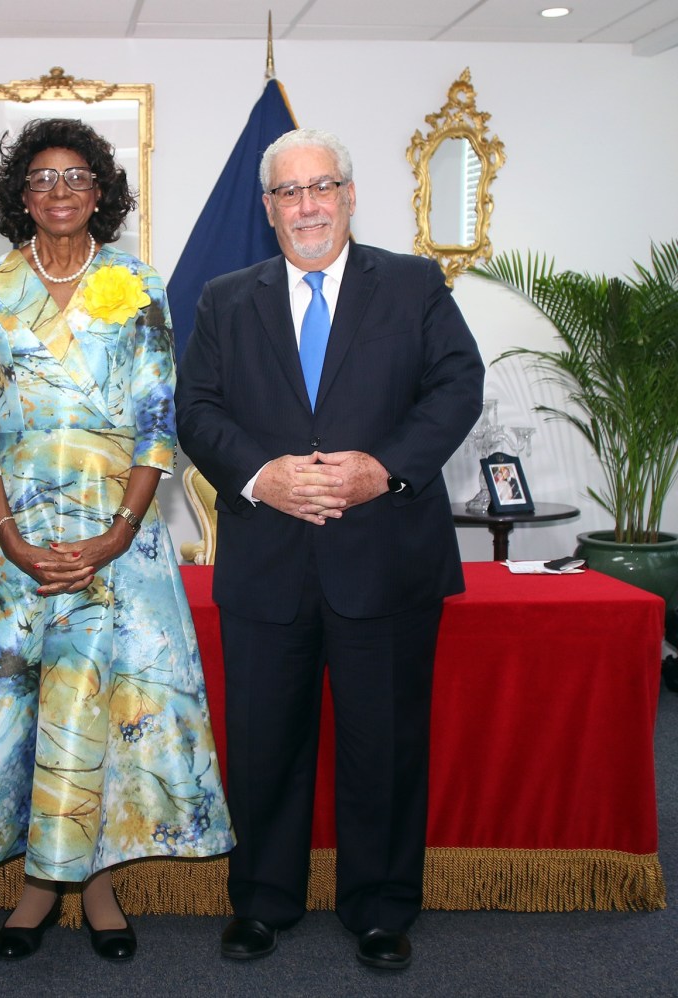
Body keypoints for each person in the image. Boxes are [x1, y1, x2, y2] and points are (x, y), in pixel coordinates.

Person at [0, 118, 234, 963]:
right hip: (15, 541)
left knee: (102, 707)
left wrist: (119, 532)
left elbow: (157, 422)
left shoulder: (137, 284)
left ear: (101, 191)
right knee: (26, 711)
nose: (58, 193)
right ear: (18, 199)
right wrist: (13, 539)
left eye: (75, 178)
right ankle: (35, 888)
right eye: (40, 180)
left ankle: (95, 886)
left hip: (119, 540)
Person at [175, 128, 484, 970]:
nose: (307, 205)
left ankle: (381, 909)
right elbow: (195, 409)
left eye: (323, 187)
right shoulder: (224, 298)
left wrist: (384, 470)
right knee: (266, 741)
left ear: (349, 195)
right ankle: (262, 901)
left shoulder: (415, 284)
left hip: (385, 557)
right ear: (268, 209)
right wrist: (259, 474)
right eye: (289, 193)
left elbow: (459, 384)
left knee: (383, 746)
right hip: (268, 560)